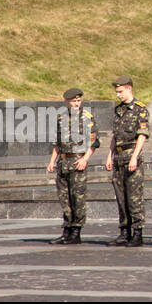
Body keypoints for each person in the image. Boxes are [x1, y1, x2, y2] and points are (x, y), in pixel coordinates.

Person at [46, 87, 99, 245]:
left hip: (77, 162)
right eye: (74, 101)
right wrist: (52, 161)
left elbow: (94, 142)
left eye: (79, 101)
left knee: (78, 198)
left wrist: (85, 159)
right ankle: (66, 230)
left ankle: (76, 231)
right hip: (63, 162)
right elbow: (57, 143)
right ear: (66, 101)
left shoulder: (87, 117)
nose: (77, 103)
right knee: (64, 198)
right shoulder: (61, 118)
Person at [106, 75, 149, 247]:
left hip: (132, 155)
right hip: (118, 156)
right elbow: (115, 136)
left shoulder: (140, 109)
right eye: (117, 92)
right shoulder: (119, 110)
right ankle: (125, 231)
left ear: (129, 89)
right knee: (121, 197)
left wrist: (135, 156)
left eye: (121, 91)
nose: (118, 95)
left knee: (134, 197)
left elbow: (142, 135)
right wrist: (109, 155)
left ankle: (137, 232)